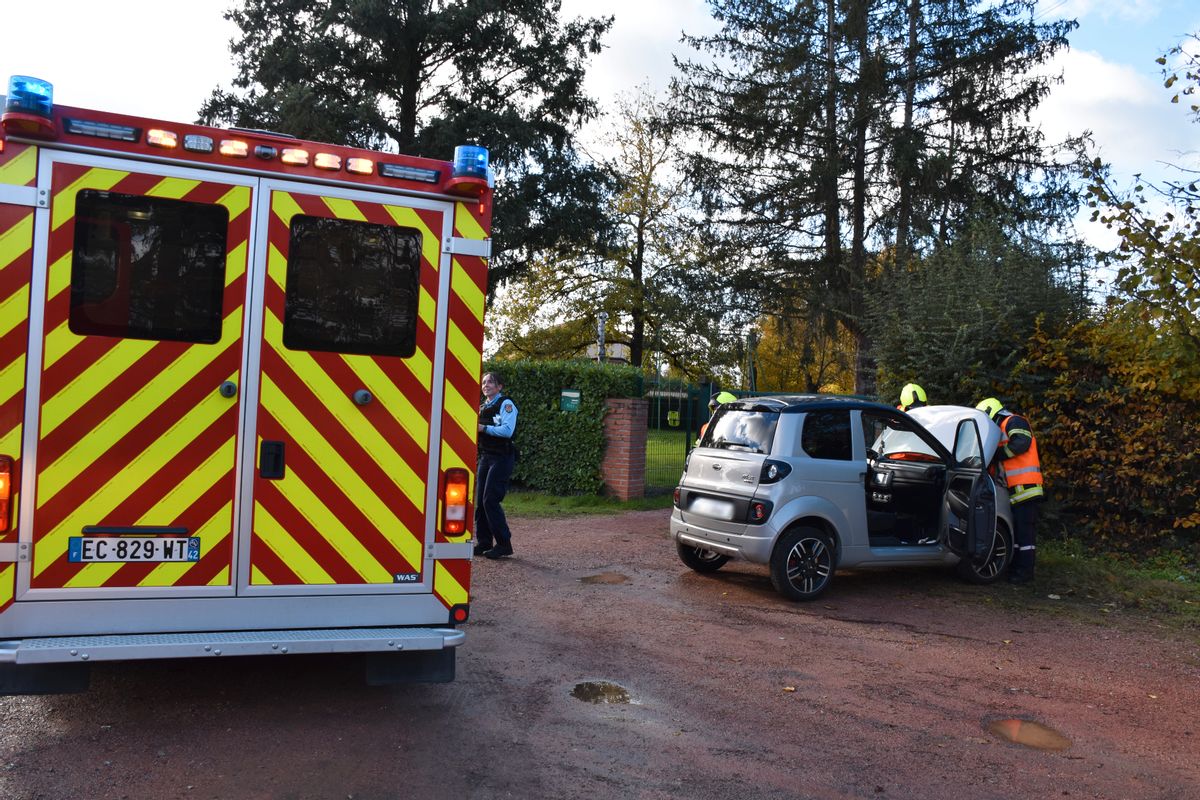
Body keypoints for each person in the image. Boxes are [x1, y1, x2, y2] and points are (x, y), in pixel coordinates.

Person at [976, 397, 1044, 584]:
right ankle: (1014, 570)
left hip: (1026, 488)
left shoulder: (1013, 421)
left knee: (1025, 534)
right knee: (1016, 534)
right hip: (1015, 489)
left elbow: (1022, 442)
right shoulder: (1001, 429)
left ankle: (1025, 574)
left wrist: (998, 455)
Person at [475, 371, 519, 559]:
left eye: (491, 382)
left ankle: (504, 544)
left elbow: (507, 431)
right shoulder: (482, 406)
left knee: (490, 500)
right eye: (484, 382)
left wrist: (483, 428)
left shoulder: (506, 405)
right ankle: (484, 542)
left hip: (502, 457)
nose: (486, 385)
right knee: (480, 502)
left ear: (499, 386)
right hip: (486, 456)